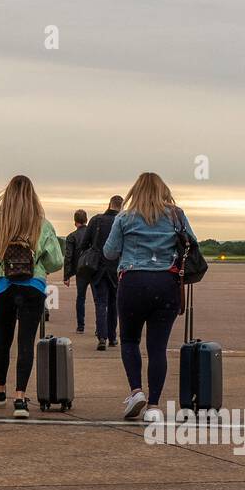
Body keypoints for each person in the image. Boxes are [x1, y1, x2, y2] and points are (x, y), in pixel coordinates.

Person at [103, 172, 195, 420]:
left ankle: (136, 391)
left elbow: (110, 252)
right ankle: (154, 406)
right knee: (157, 348)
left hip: (133, 281)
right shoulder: (176, 215)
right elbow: (192, 244)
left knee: (130, 340)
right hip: (166, 283)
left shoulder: (124, 217)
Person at [0, 175, 64, 419]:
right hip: (32, 287)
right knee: (26, 342)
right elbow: (56, 260)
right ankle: (20, 398)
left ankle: (1, 387)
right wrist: (38, 264)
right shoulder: (42, 224)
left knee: (3, 340)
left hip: (4, 286)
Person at [81, 195, 123, 351]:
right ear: (121, 206)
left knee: (100, 303)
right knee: (114, 304)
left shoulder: (96, 220)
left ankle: (102, 337)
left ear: (109, 204)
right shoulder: (122, 220)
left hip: (98, 267)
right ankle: (112, 337)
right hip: (116, 268)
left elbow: (84, 243)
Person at [61, 209, 89, 333]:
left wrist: (66, 276)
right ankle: (101, 329)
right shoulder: (92, 233)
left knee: (81, 297)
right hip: (94, 269)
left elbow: (68, 257)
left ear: (75, 222)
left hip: (80, 270)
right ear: (86, 220)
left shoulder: (71, 236)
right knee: (99, 300)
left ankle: (80, 326)